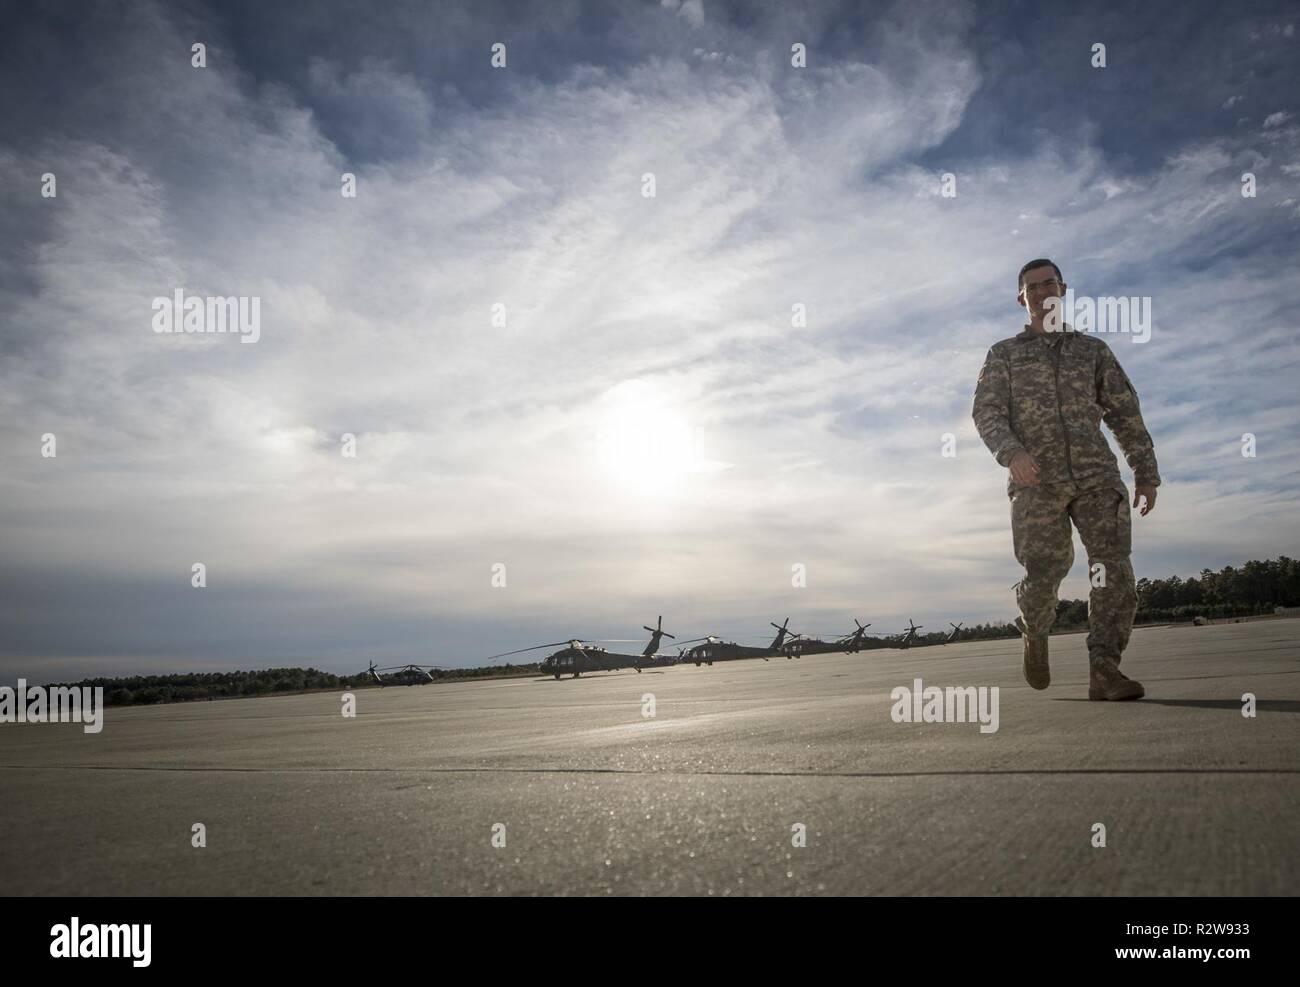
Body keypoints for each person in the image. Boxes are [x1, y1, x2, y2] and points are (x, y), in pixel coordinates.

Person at [972, 259, 1161, 700]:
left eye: (1049, 283)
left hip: (1096, 475)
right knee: (1045, 570)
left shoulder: (1092, 351)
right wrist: (1012, 453)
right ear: (1022, 298)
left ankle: (1104, 670)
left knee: (1113, 571)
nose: (1041, 292)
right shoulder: (1005, 354)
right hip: (1036, 481)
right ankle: (1035, 630)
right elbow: (987, 411)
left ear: (1063, 288)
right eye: (1032, 287)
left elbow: (1124, 414)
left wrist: (1145, 472)